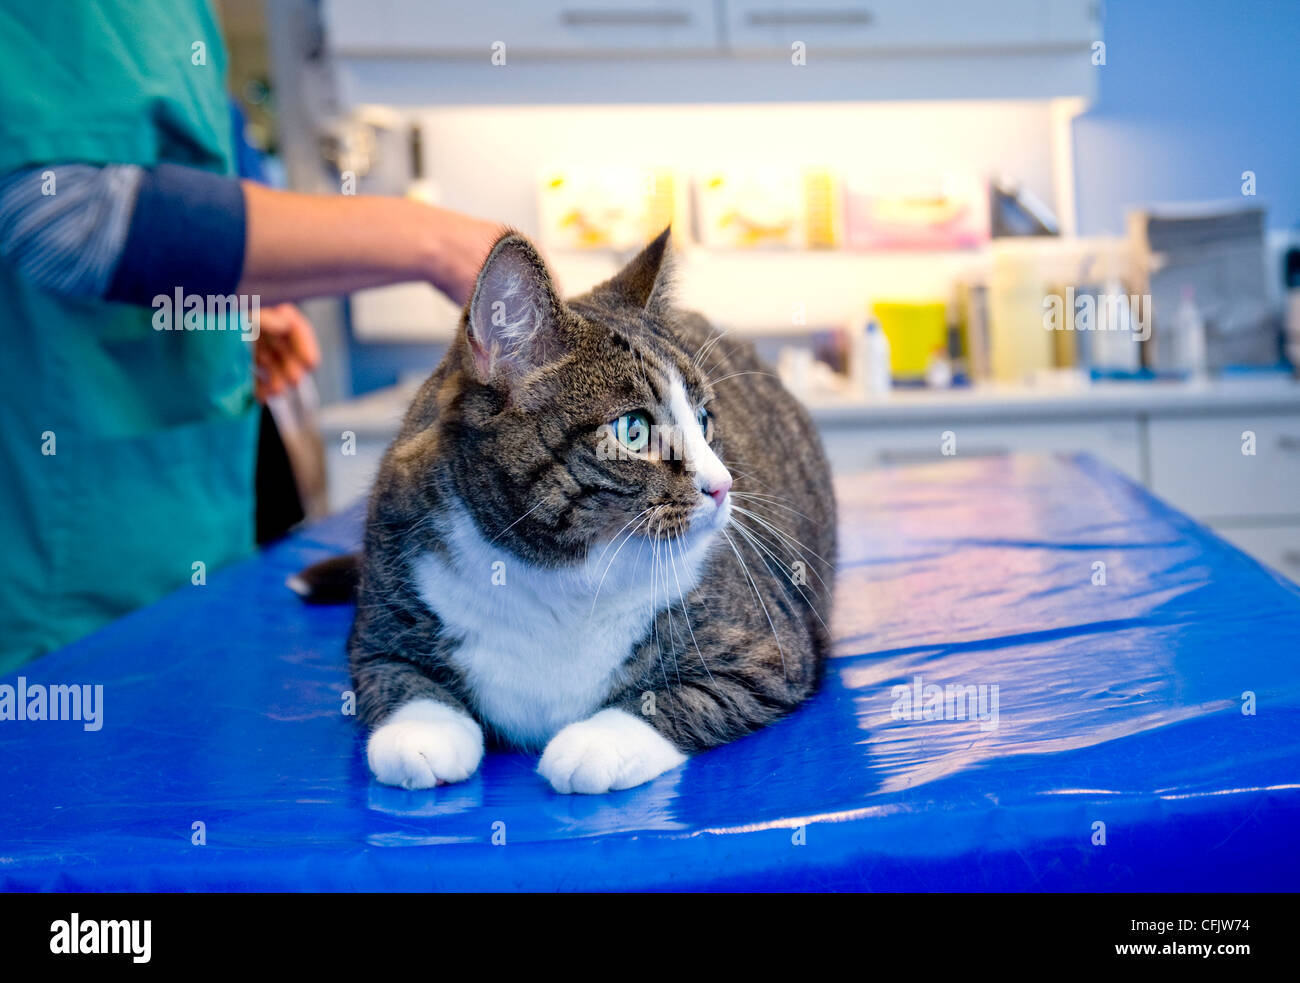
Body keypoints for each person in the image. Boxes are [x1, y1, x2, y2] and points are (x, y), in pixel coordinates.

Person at [0, 1, 500, 671]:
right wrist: (438, 242)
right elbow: (64, 212)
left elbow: (180, 187)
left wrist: (221, 298)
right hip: (62, 583)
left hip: (180, 541)